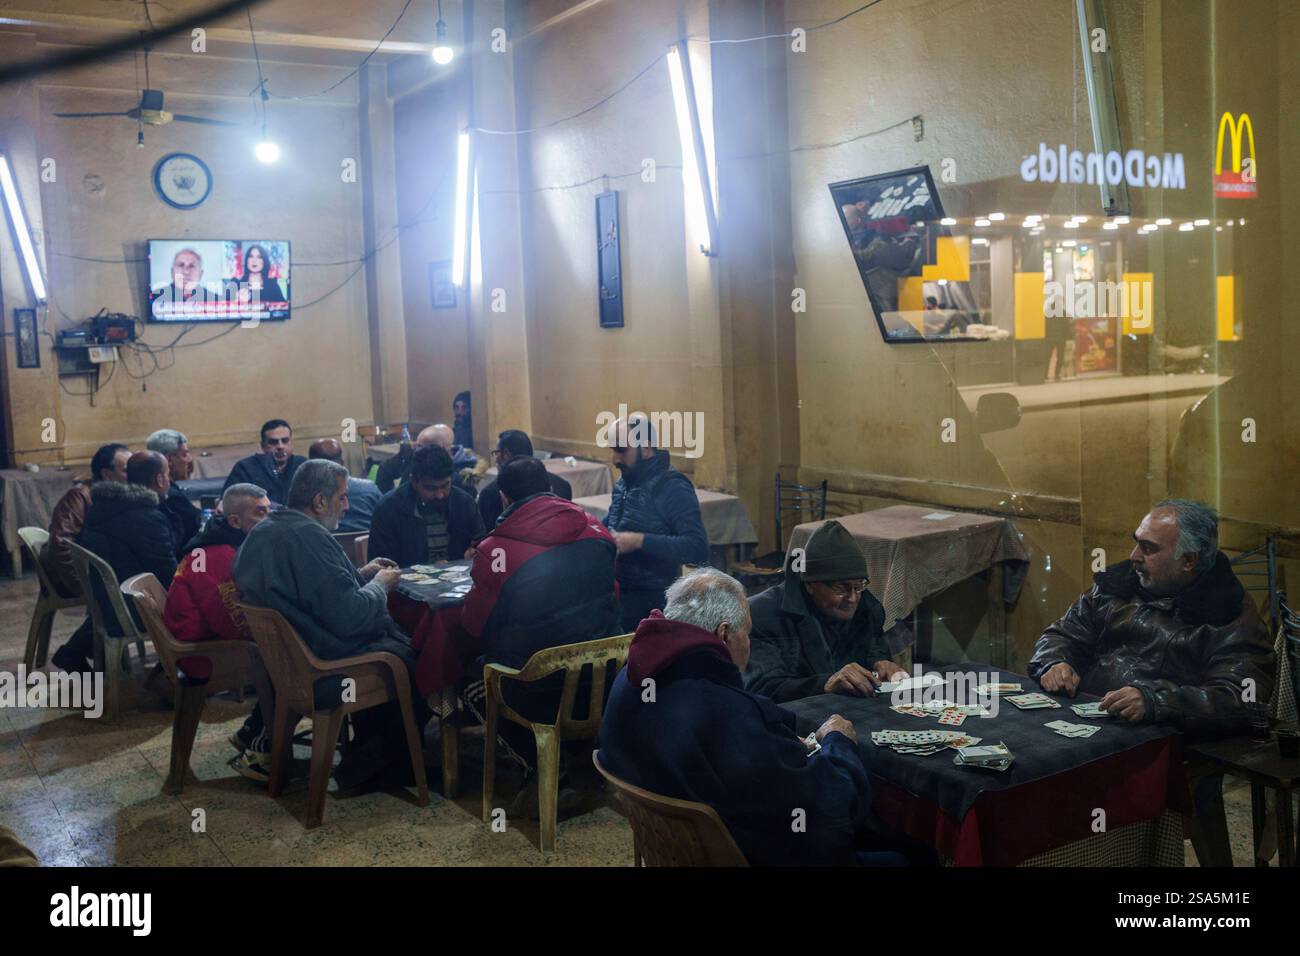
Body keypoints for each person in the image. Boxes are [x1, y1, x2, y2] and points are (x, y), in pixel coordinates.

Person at [598, 568, 909, 866]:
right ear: (724, 634)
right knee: (911, 854)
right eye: (746, 634)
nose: (748, 644)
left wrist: (781, 747)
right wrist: (838, 744)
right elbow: (822, 806)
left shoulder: (629, 679)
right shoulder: (724, 708)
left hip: (676, 851)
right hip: (743, 856)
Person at [232, 459, 429, 790]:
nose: (347, 505)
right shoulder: (309, 537)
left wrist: (362, 575)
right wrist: (380, 585)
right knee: (421, 661)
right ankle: (367, 770)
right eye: (342, 496)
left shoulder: (263, 531)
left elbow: (311, 594)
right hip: (325, 667)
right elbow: (350, 618)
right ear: (319, 501)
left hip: (287, 666)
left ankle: (373, 761)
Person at [1029, 499, 1274, 734]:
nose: (1134, 556)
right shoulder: (1116, 584)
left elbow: (1241, 695)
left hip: (1160, 742)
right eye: (1137, 543)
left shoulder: (1230, 614)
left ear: (1188, 560)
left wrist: (1157, 701)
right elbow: (1062, 634)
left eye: (1148, 548)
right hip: (1082, 716)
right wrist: (1055, 662)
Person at [458, 457, 618, 772]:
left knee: (468, 680)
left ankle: (541, 767)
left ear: (503, 497)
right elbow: (612, 596)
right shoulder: (597, 530)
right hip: (605, 679)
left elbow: (474, 627)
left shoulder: (496, 550)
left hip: (536, 689)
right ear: (549, 487)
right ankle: (580, 761)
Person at [164, 483, 273, 781]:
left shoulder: (218, 540)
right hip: (201, 652)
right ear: (235, 521)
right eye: (260, 513)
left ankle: (251, 731)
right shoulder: (217, 554)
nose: (269, 518)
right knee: (292, 660)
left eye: (269, 510)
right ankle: (263, 753)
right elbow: (230, 621)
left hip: (198, 638)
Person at [745, 520, 905, 702]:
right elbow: (762, 689)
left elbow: (873, 644)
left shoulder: (866, 607)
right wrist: (824, 684)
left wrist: (880, 662)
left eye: (859, 585)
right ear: (811, 585)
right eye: (841, 588)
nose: (852, 598)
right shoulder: (762, 616)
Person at [51, 452, 178, 672]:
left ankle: (72, 652)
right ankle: (172, 677)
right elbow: (168, 575)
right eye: (167, 474)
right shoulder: (147, 518)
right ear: (159, 479)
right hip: (133, 610)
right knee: (204, 600)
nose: (170, 480)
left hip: (106, 601)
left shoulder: (103, 506)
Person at [602, 415, 709, 631]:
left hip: (654, 600)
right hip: (619, 592)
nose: (615, 459)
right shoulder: (624, 483)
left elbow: (697, 548)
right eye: (613, 449)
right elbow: (613, 524)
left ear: (646, 448)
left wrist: (640, 541)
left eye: (621, 449)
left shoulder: (672, 487)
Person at [368, 444, 483, 568]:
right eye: (431, 488)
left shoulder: (464, 503)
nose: (440, 495)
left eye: (445, 486)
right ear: (414, 481)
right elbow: (382, 566)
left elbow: (480, 542)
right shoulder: (389, 509)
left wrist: (474, 552)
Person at [43, 442, 129, 599]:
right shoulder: (79, 496)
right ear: (107, 475)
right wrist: (84, 588)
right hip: (71, 579)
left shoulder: (118, 496)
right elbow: (61, 543)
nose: (133, 474)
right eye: (126, 470)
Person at [476, 429, 572, 530]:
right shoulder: (562, 485)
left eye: (496, 453)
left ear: (506, 454)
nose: (495, 458)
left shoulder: (490, 493)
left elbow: (487, 536)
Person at [222, 419, 307, 505]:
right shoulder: (245, 468)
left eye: (285, 441)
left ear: (291, 442)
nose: (280, 446)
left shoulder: (304, 466)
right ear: (263, 446)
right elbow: (228, 503)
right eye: (273, 442)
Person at [374, 424, 477, 494]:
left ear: (445, 450)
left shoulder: (464, 474)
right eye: (417, 446)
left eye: (423, 448)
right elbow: (385, 470)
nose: (417, 451)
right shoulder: (411, 456)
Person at [146, 428, 200, 557]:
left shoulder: (151, 487)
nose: (188, 460)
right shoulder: (170, 496)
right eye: (184, 454)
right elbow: (195, 529)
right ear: (169, 459)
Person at [310, 438, 380, 532]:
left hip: (326, 545)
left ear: (310, 466)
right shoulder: (370, 488)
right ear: (342, 463)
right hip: (369, 545)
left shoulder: (306, 497)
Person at [150, 247, 212, 318]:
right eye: (181, 265)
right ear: (172, 272)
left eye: (192, 266)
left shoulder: (213, 298)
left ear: (201, 274)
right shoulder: (154, 297)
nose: (186, 272)